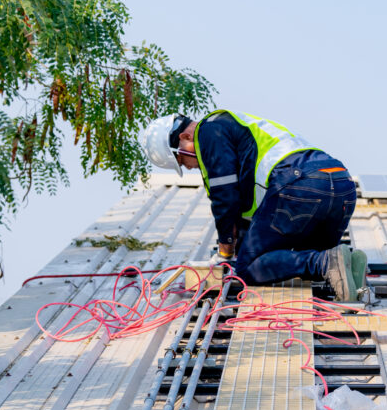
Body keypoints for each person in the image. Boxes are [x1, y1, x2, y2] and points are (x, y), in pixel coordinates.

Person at [139, 110, 363, 298]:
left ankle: (326, 262)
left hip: (300, 185)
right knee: (297, 260)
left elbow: (224, 196)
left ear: (185, 137)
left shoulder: (208, 132)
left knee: (248, 268)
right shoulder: (237, 128)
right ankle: (348, 265)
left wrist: (224, 254)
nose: (188, 167)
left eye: (181, 160)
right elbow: (247, 212)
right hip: (341, 185)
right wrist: (241, 244)